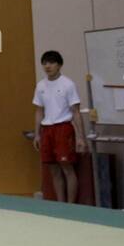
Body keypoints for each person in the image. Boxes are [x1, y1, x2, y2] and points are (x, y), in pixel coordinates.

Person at [32, 50, 87, 204]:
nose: (47, 66)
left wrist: (81, 137)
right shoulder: (41, 85)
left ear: (59, 65)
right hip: (47, 130)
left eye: (51, 62)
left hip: (63, 128)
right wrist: (37, 134)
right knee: (53, 169)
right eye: (44, 63)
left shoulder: (68, 84)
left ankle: (70, 205)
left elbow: (76, 112)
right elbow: (39, 111)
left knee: (67, 168)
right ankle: (60, 204)